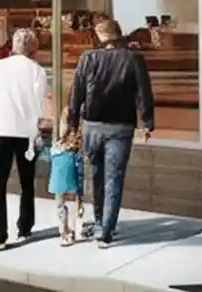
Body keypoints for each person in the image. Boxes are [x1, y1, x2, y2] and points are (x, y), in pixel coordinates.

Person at [67, 19, 155, 248]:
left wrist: (72, 123)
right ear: (118, 35)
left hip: (92, 126)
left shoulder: (88, 58)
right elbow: (143, 92)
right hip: (121, 127)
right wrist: (147, 123)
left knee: (95, 176)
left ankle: (98, 221)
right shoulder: (133, 58)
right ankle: (106, 232)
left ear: (100, 36)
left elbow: (76, 93)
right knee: (114, 178)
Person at [0, 27, 49, 251]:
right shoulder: (37, 71)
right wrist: (37, 131)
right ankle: (25, 225)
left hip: (0, 129)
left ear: (13, 46)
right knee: (27, 182)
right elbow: (39, 105)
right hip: (26, 133)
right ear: (33, 49)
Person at [48, 108, 87, 246]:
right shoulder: (73, 112)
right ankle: (72, 229)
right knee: (75, 198)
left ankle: (66, 229)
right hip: (72, 158)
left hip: (65, 159)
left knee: (63, 199)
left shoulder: (58, 144)